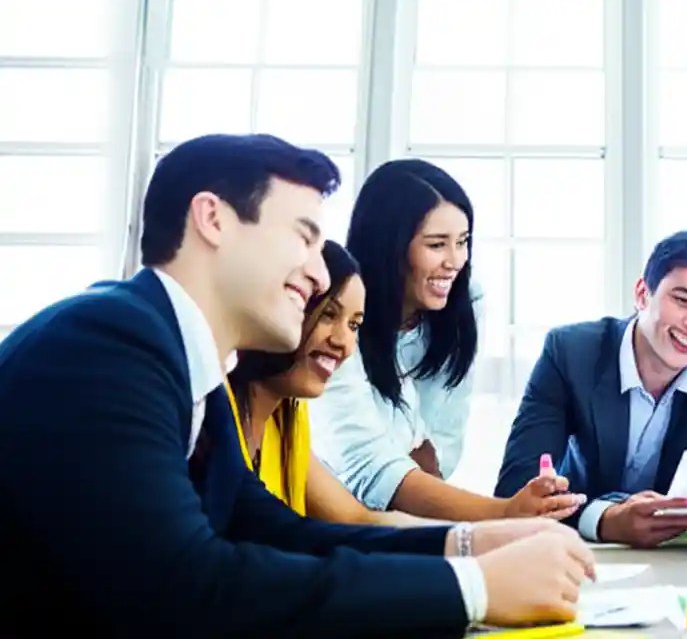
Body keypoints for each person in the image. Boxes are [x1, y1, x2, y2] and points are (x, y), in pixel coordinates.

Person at [0, 134, 595, 634]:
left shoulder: (192, 369)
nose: (317, 273)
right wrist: (474, 588)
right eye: (304, 237)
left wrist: (475, 544)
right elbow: (185, 586)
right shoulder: (111, 342)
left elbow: (283, 533)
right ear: (214, 220)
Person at [311, 158, 583, 521]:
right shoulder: (339, 320)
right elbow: (365, 464)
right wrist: (503, 512)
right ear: (388, 246)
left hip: (406, 516)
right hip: (333, 518)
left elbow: (439, 445)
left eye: (463, 241)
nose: (455, 261)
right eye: (437, 245)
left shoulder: (464, 303)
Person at [494, 228, 687, 548]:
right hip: (579, 549)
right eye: (684, 301)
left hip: (684, 557)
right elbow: (514, 495)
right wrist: (604, 520)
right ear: (643, 294)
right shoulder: (571, 352)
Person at [227, 239, 434, 525]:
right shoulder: (217, 413)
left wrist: (477, 537)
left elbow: (357, 518)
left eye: (354, 325)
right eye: (328, 314)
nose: (343, 343)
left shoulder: (288, 417)